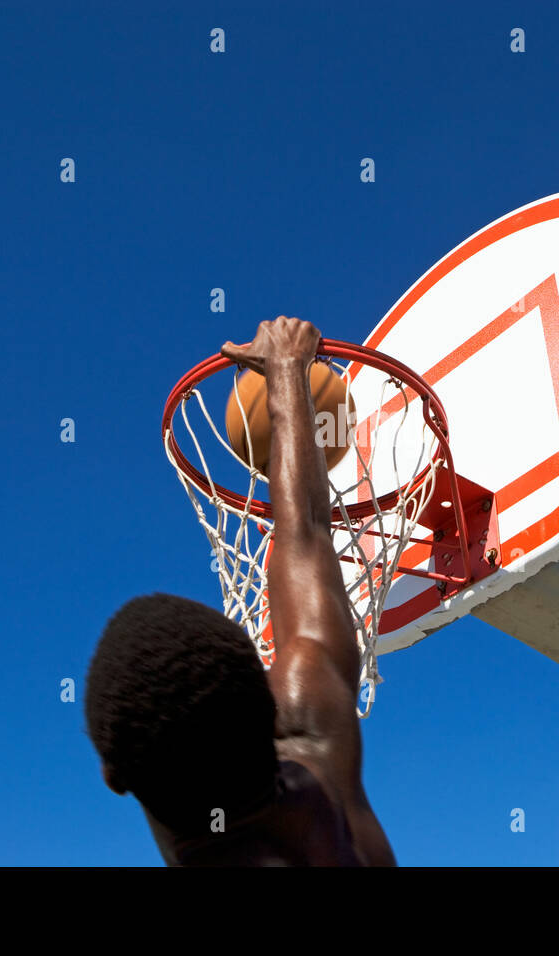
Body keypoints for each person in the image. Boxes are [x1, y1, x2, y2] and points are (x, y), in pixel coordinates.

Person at [85, 316, 396, 866]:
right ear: (269, 705)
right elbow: (305, 534)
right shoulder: (318, 752)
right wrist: (286, 371)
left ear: (116, 777)